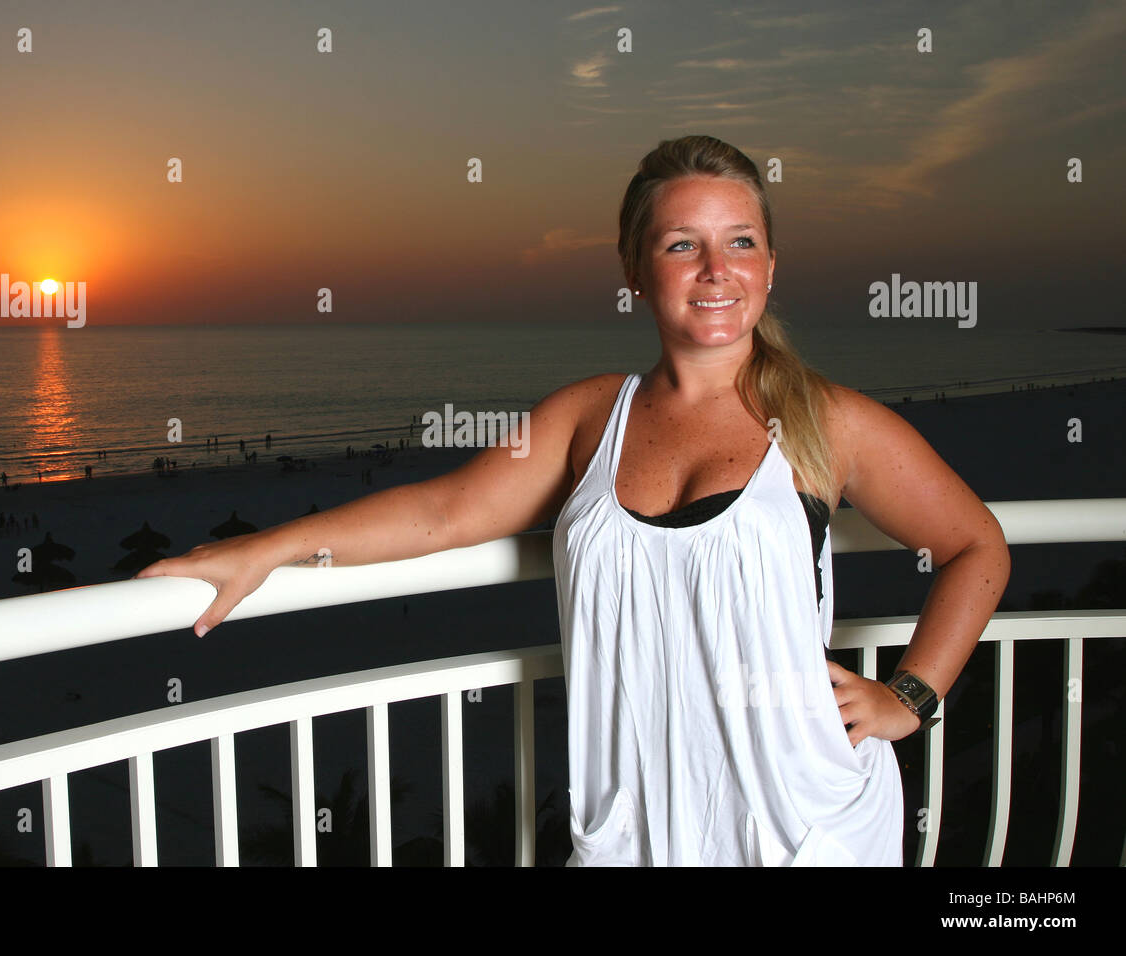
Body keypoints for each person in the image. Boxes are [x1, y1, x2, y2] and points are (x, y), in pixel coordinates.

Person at [137, 134, 1009, 866]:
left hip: (805, 825)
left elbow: (977, 546)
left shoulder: (826, 420)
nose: (716, 270)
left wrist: (912, 696)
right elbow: (443, 513)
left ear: (771, 267)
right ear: (636, 269)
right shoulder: (589, 417)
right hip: (635, 829)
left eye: (740, 242)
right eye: (681, 245)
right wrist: (270, 547)